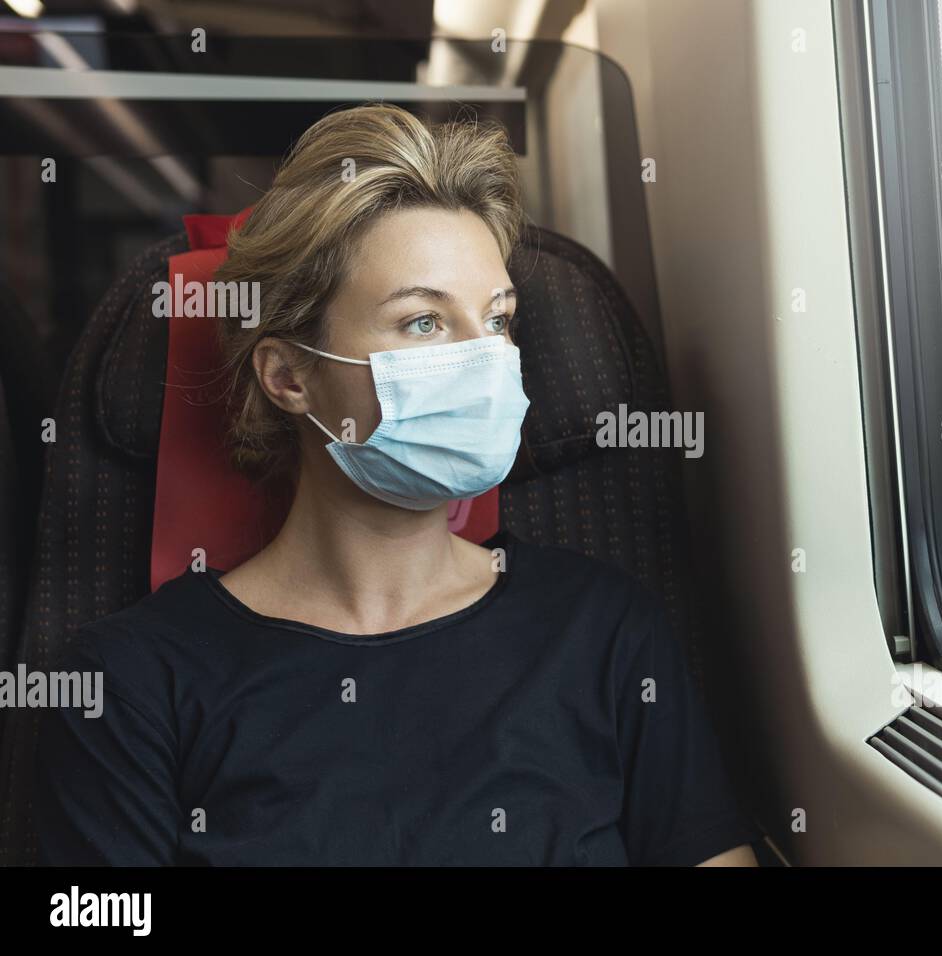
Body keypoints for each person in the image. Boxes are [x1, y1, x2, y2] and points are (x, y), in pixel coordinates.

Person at [33, 103, 761, 867]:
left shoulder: (607, 632)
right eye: (423, 322)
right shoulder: (129, 684)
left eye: (499, 319)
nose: (487, 360)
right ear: (288, 376)